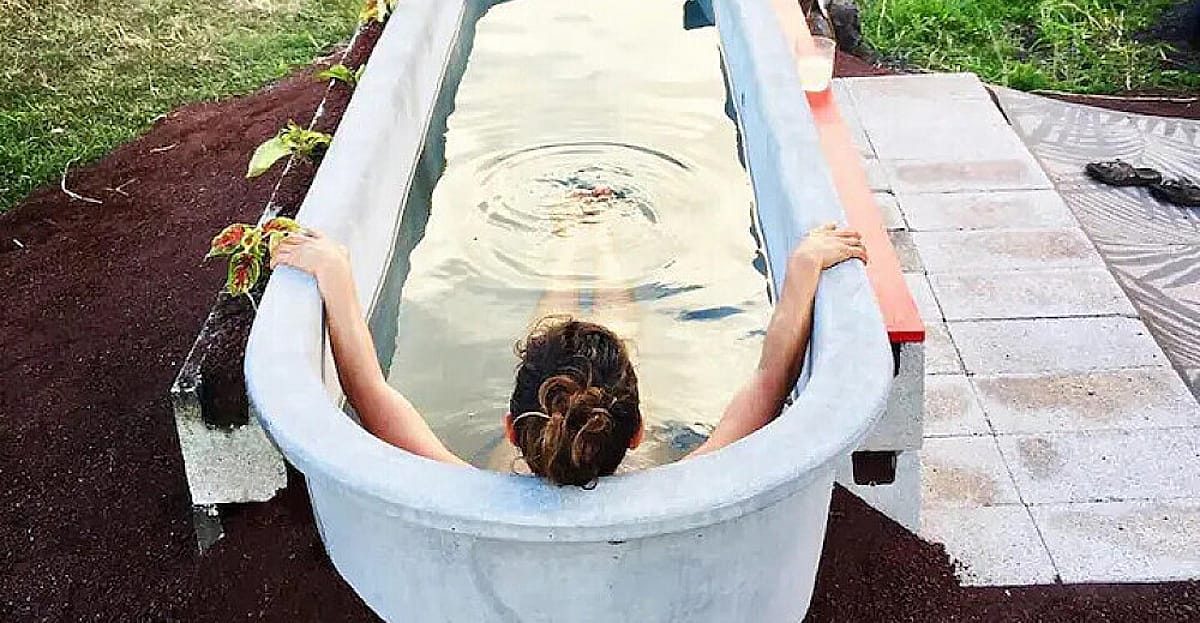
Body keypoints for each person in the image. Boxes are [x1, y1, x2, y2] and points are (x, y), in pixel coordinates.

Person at [271, 223, 866, 488]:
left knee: (559, 332)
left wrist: (336, 275)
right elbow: (768, 384)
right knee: (616, 327)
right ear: (637, 434)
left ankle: (573, 240)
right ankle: (596, 237)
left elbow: (371, 394)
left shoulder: (464, 486)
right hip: (612, 450)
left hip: (537, 448)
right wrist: (804, 266)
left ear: (509, 427)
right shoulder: (682, 480)